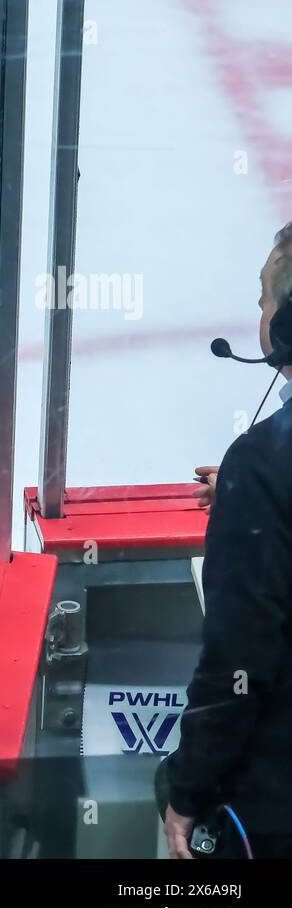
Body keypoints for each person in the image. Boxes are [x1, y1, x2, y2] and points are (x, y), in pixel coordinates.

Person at [165, 222, 292, 858]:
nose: (260, 312)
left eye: (267, 300)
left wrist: (188, 787)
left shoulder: (266, 463)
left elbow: (239, 658)